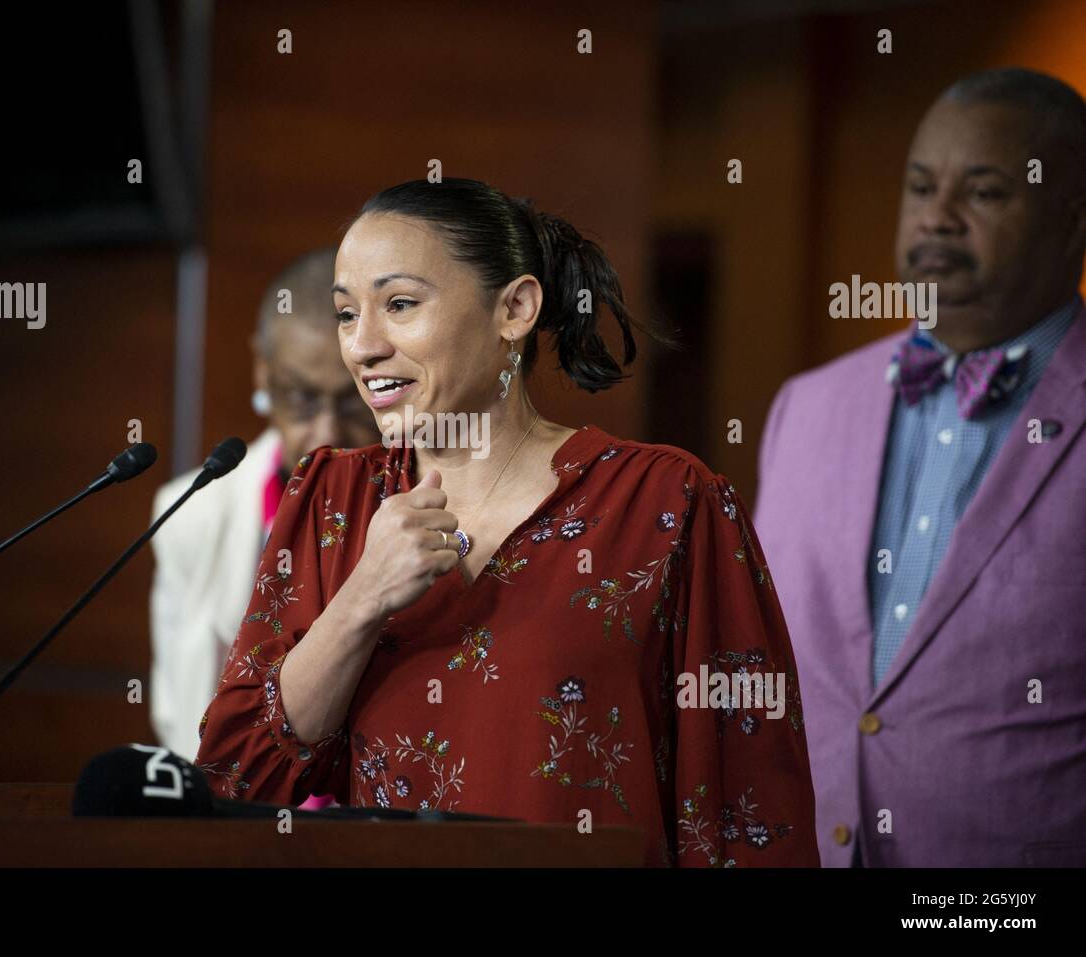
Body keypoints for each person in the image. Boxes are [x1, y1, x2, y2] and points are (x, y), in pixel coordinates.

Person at [194, 178, 819, 867]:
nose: (363, 347)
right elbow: (236, 777)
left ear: (515, 308)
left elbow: (750, 806)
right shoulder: (331, 498)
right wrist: (362, 599)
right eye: (347, 314)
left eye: (399, 305)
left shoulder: (666, 501)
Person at [755, 68, 1086, 866]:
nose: (936, 218)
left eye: (985, 192)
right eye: (920, 187)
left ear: (1074, 224)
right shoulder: (806, 404)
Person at [149, 247, 377, 766]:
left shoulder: (434, 499)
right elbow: (184, 717)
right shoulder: (192, 512)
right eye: (301, 398)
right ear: (263, 372)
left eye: (350, 401)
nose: (325, 432)